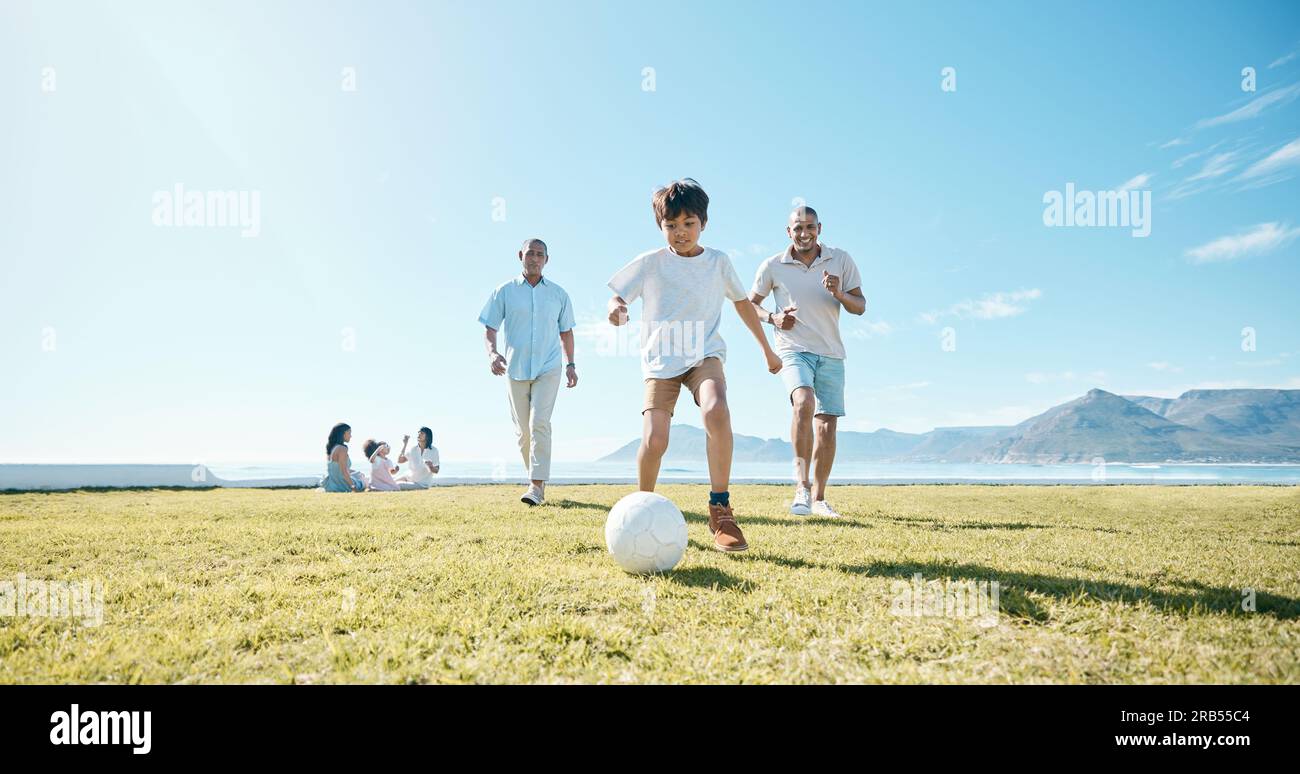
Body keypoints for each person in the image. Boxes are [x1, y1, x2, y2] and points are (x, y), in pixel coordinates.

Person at [606, 178, 782, 553]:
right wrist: (617, 310)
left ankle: (721, 511)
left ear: (703, 222)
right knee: (655, 440)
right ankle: (641, 508)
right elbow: (617, 295)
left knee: (716, 410)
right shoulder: (650, 263)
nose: (680, 232)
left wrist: (767, 350)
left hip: (704, 354)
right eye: (671, 225)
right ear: (661, 227)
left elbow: (742, 303)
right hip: (661, 361)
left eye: (688, 223)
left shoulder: (718, 262)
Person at [749, 206, 865, 518]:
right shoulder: (773, 265)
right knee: (803, 401)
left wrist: (839, 293)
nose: (804, 233)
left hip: (830, 352)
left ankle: (819, 498)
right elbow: (750, 306)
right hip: (793, 348)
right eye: (798, 228)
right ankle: (801, 487)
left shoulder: (840, 259)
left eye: (809, 227)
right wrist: (773, 318)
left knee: (826, 427)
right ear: (788, 232)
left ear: (819, 228)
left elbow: (860, 306)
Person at [478, 238, 578, 506]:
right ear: (520, 255)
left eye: (540, 254)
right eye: (530, 253)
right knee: (523, 432)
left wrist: (571, 365)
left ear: (547, 259)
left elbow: (566, 331)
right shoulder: (505, 291)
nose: (534, 258)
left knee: (539, 423)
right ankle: (535, 478)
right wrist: (492, 353)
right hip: (515, 368)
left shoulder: (558, 294)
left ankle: (536, 486)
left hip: (549, 367)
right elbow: (490, 326)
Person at [322, 422, 367, 492]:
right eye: (349, 433)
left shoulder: (332, 448)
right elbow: (344, 472)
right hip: (341, 485)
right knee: (364, 481)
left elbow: (337, 469)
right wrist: (353, 487)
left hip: (331, 485)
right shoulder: (342, 449)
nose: (351, 436)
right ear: (342, 434)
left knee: (359, 474)